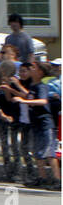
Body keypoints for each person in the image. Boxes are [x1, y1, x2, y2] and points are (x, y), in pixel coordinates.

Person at [12, 60, 60, 189]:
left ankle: (57, 180)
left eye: (33, 68)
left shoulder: (42, 86)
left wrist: (23, 101)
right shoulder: (34, 86)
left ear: (40, 72)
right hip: (36, 123)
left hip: (45, 123)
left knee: (49, 152)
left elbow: (43, 101)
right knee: (38, 152)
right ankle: (42, 178)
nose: (31, 69)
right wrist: (15, 92)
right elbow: (28, 96)